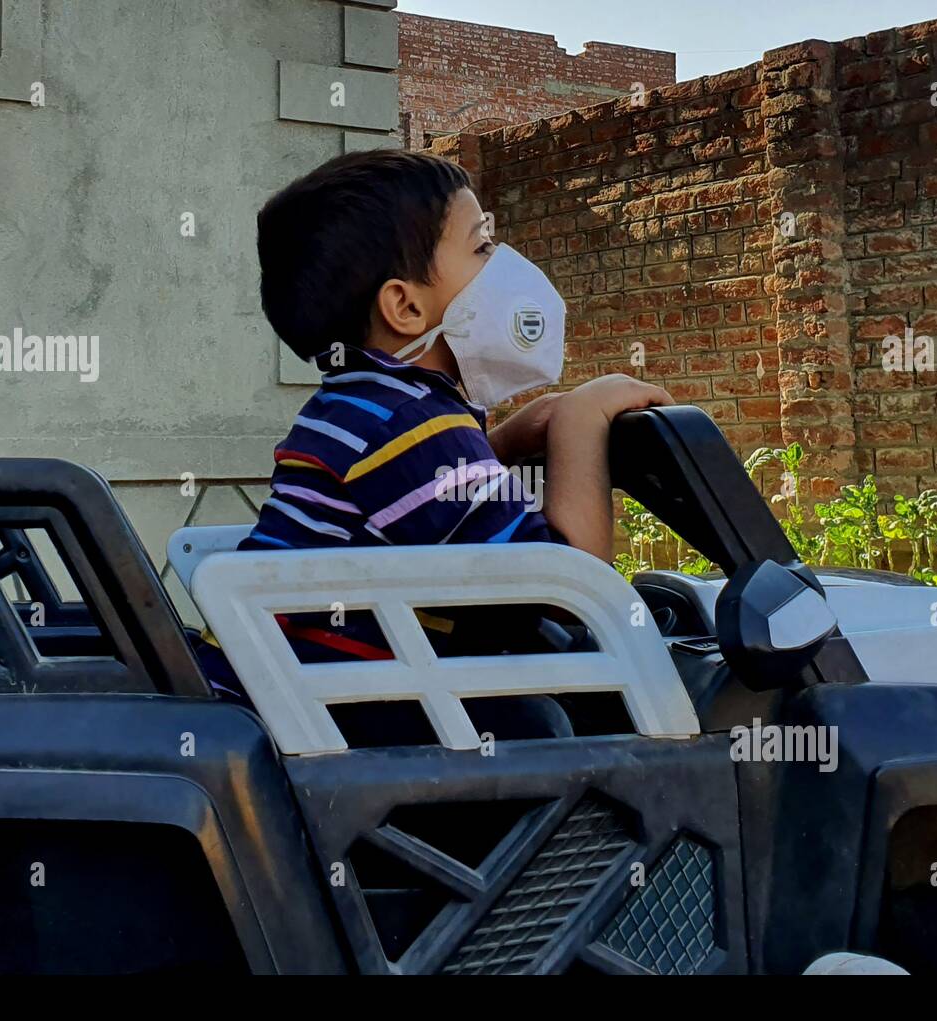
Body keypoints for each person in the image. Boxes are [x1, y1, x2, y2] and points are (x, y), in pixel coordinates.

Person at [196, 149, 670, 729]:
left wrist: (505, 443)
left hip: (287, 691)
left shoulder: (368, 405)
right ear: (405, 305)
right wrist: (584, 422)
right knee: (541, 720)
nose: (501, 264)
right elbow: (568, 588)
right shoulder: (411, 422)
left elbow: (420, 510)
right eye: (481, 247)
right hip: (326, 719)